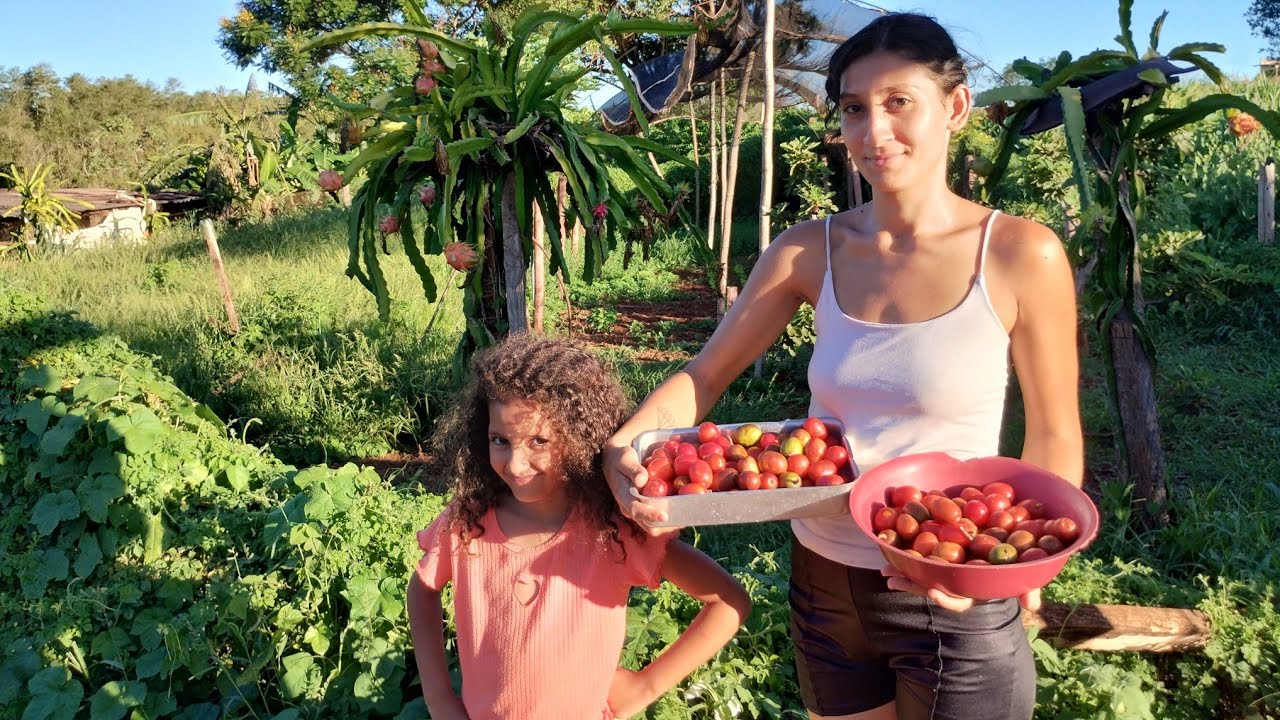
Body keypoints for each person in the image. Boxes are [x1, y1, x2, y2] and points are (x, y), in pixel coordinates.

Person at [604, 12, 1082, 720]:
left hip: (950, 583)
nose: (873, 131)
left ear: (954, 107)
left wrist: (1020, 565)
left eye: (898, 103)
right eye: (855, 109)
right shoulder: (807, 251)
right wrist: (626, 444)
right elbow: (706, 375)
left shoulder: (1018, 254)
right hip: (826, 585)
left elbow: (1053, 434)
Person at [407, 334, 752, 720]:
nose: (516, 464)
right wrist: (439, 699)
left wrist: (645, 687)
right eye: (500, 440)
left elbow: (728, 602)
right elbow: (422, 588)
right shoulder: (466, 523)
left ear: (579, 440)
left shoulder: (612, 531)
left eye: (539, 440)